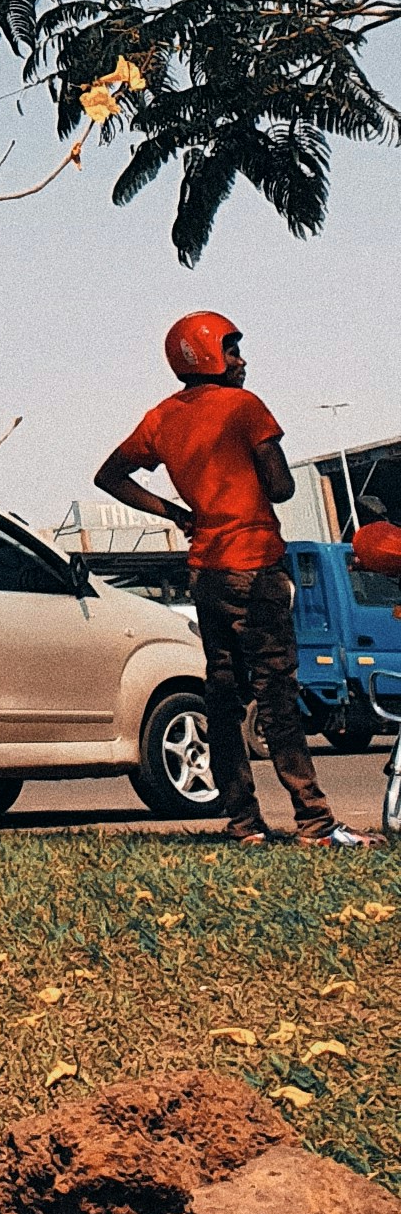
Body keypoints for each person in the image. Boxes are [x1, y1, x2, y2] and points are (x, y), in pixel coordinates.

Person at [96, 312, 368, 849]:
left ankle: (244, 823)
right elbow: (283, 487)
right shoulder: (245, 407)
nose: (243, 360)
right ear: (210, 356)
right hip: (257, 566)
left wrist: (177, 513)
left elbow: (110, 476)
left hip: (207, 574)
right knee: (276, 695)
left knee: (223, 695)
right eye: (234, 350)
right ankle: (314, 822)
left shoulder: (162, 418)